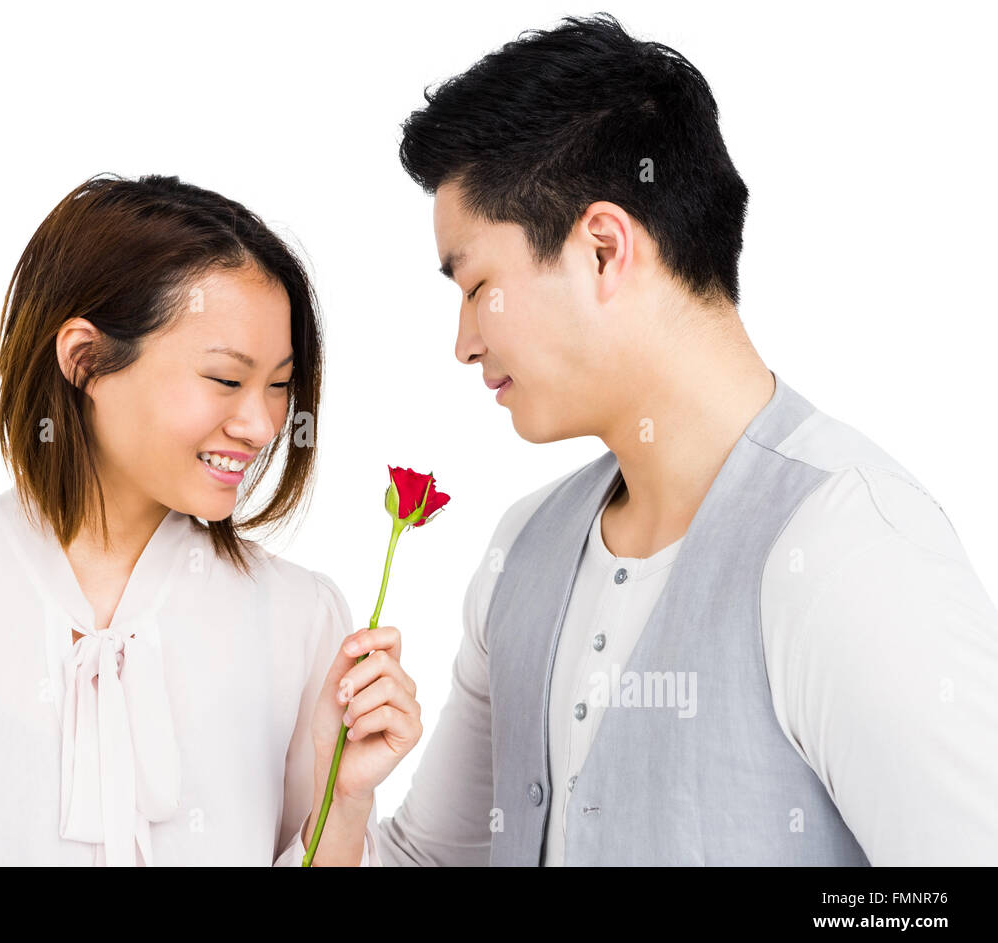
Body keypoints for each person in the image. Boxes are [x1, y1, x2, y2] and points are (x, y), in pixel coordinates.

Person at [372, 13, 998, 865]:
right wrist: (339, 793)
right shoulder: (522, 550)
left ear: (602, 248)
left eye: (479, 284)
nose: (464, 341)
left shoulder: (850, 547)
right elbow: (429, 861)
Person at [0, 173, 421, 866]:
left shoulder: (302, 620)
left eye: (281, 385)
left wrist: (344, 806)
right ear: (84, 359)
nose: (263, 424)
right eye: (227, 380)